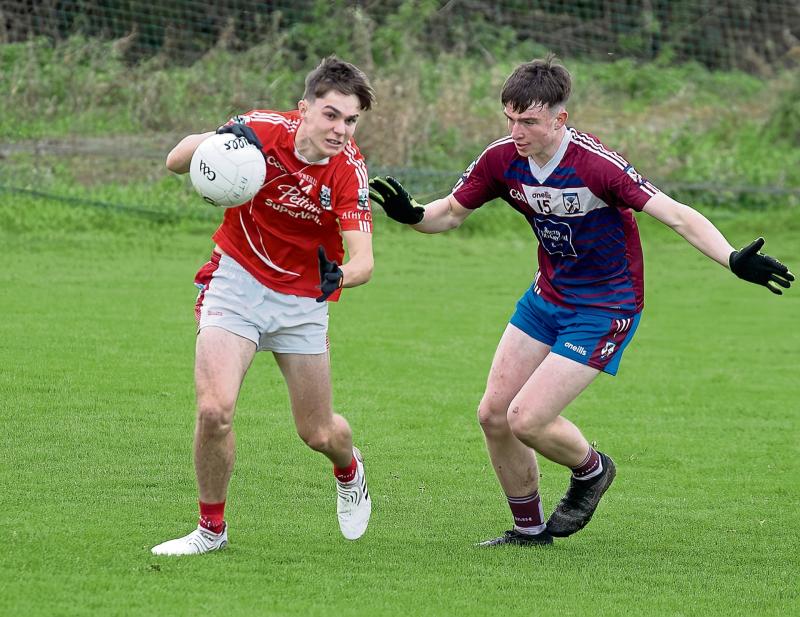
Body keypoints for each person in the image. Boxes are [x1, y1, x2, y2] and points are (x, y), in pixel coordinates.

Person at [368, 55, 794, 546]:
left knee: (526, 418)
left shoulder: (596, 165)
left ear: (559, 118)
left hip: (605, 308)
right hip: (546, 298)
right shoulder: (501, 159)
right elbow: (446, 215)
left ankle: (591, 470)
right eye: (509, 118)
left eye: (528, 120)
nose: (516, 131)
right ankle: (529, 532)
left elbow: (676, 215)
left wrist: (732, 257)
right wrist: (411, 214)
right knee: (493, 414)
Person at [151, 56, 377, 556]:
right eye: (331, 114)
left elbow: (363, 259)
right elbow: (176, 160)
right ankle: (211, 531)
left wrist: (341, 276)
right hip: (235, 283)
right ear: (304, 109)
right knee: (214, 410)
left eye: (351, 120)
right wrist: (222, 141)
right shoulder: (259, 130)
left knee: (318, 432)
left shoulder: (348, 171)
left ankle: (349, 468)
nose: (341, 129)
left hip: (302, 301)